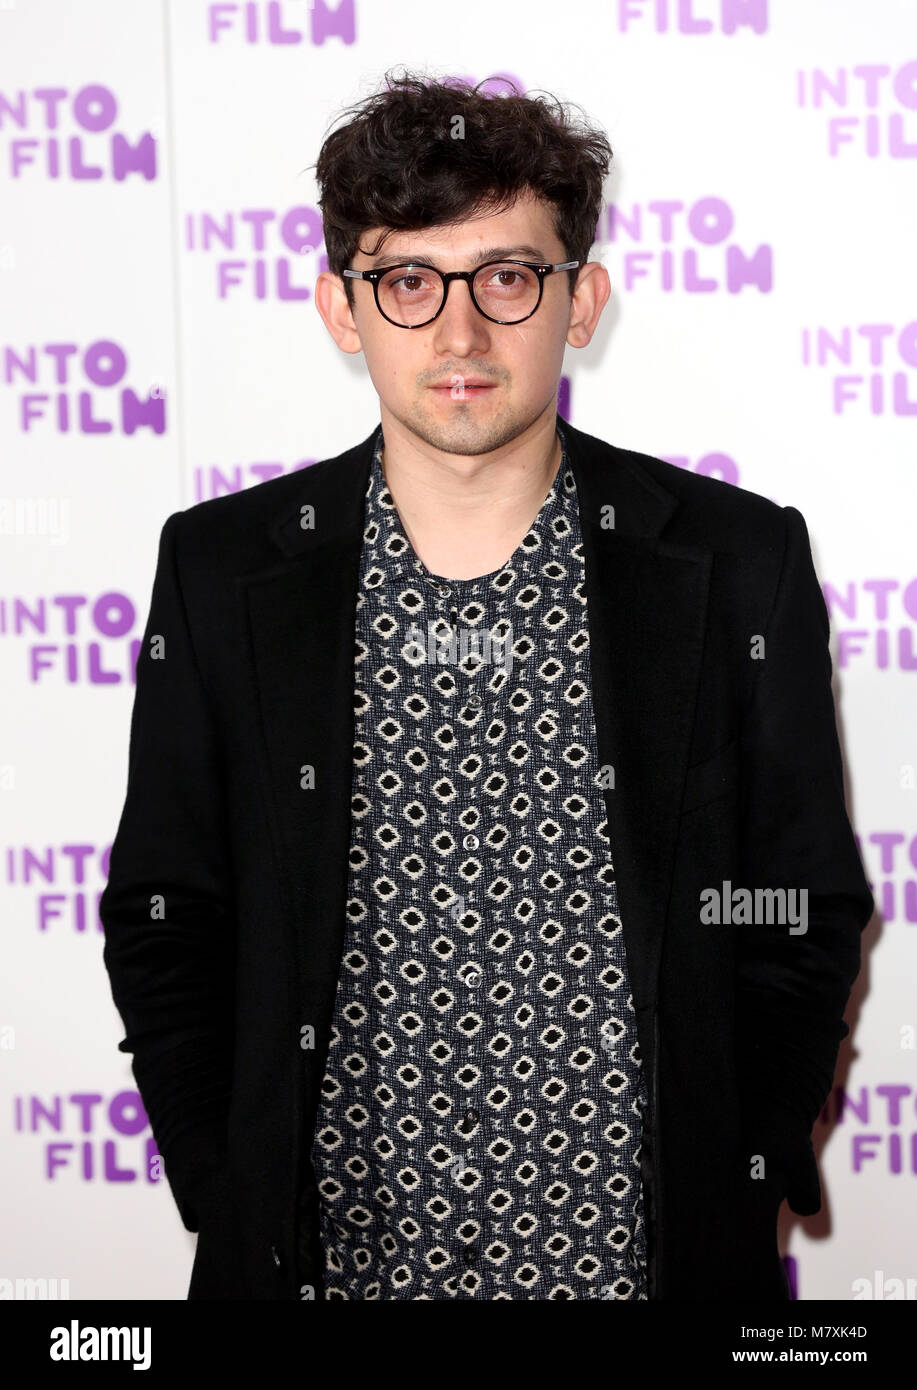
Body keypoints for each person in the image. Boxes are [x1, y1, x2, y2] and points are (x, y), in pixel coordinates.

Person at [100, 70, 874, 1301]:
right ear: (342, 310)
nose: (459, 335)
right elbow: (164, 912)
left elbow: (797, 905)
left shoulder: (736, 566)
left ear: (580, 302)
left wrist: (748, 1159)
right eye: (408, 281)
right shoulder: (222, 569)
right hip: (326, 1277)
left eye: (507, 277)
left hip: (637, 1276)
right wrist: (223, 1175)